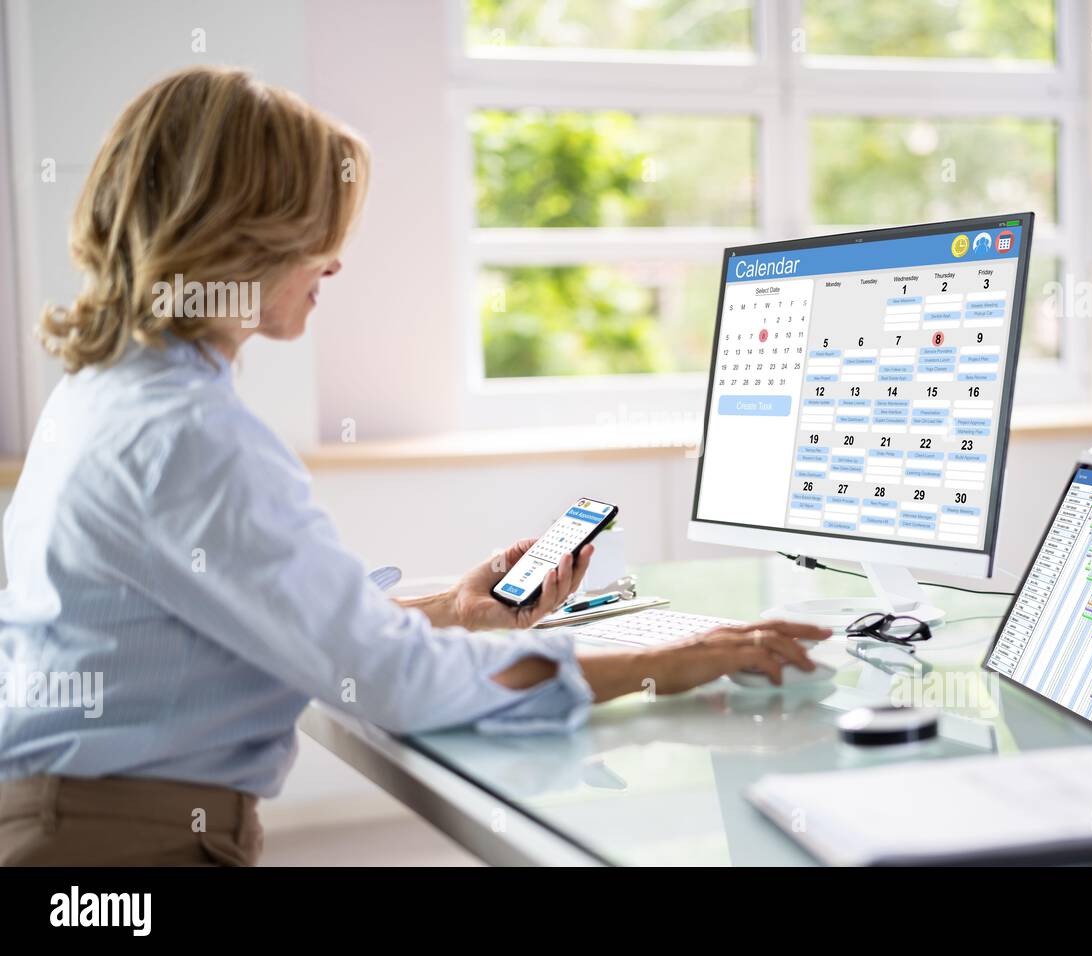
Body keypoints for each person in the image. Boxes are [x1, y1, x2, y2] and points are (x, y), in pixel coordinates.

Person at [0, 66, 829, 866]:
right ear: (241, 236)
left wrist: (453, 608)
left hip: (72, 820)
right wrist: (663, 664)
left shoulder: (111, 391)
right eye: (319, 231)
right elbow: (391, 680)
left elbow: (287, 623)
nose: (335, 263)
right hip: (115, 843)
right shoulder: (190, 434)